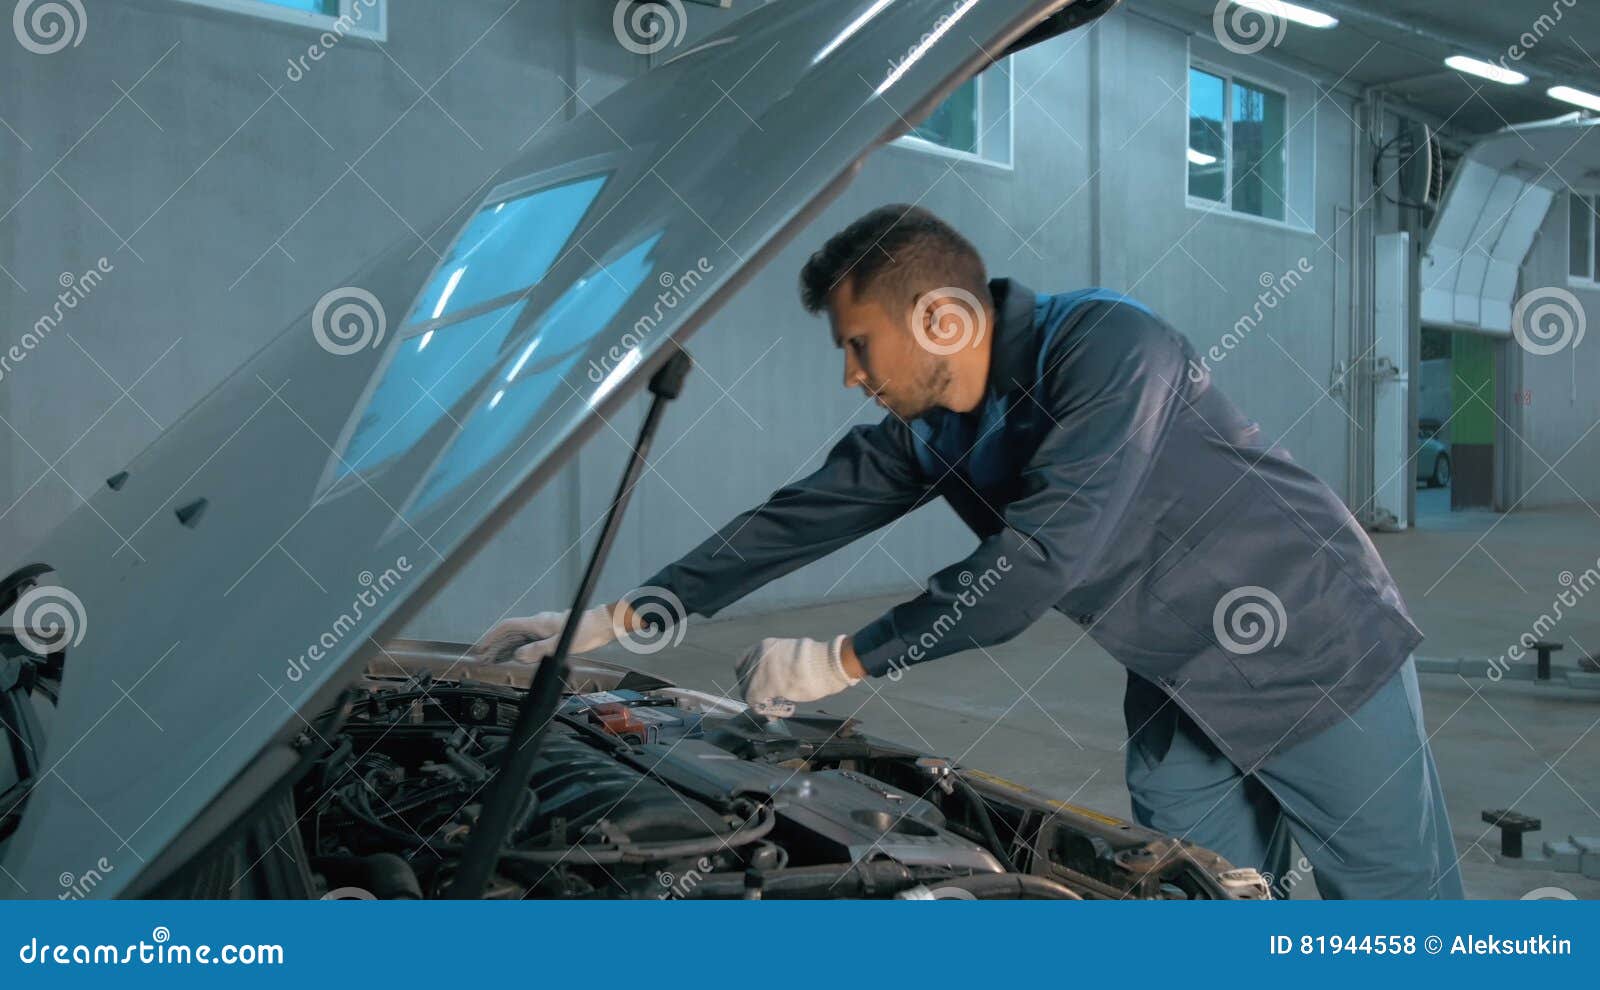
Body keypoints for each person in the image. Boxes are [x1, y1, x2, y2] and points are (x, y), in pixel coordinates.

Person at [475, 204, 1463, 899]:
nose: (853, 375)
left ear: (941, 317)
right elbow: (787, 523)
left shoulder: (1114, 351)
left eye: (859, 345)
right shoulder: (933, 429)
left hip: (1314, 646)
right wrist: (613, 620)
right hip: (1177, 677)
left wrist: (839, 659)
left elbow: (1037, 559)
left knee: (1391, 906)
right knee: (1190, 895)